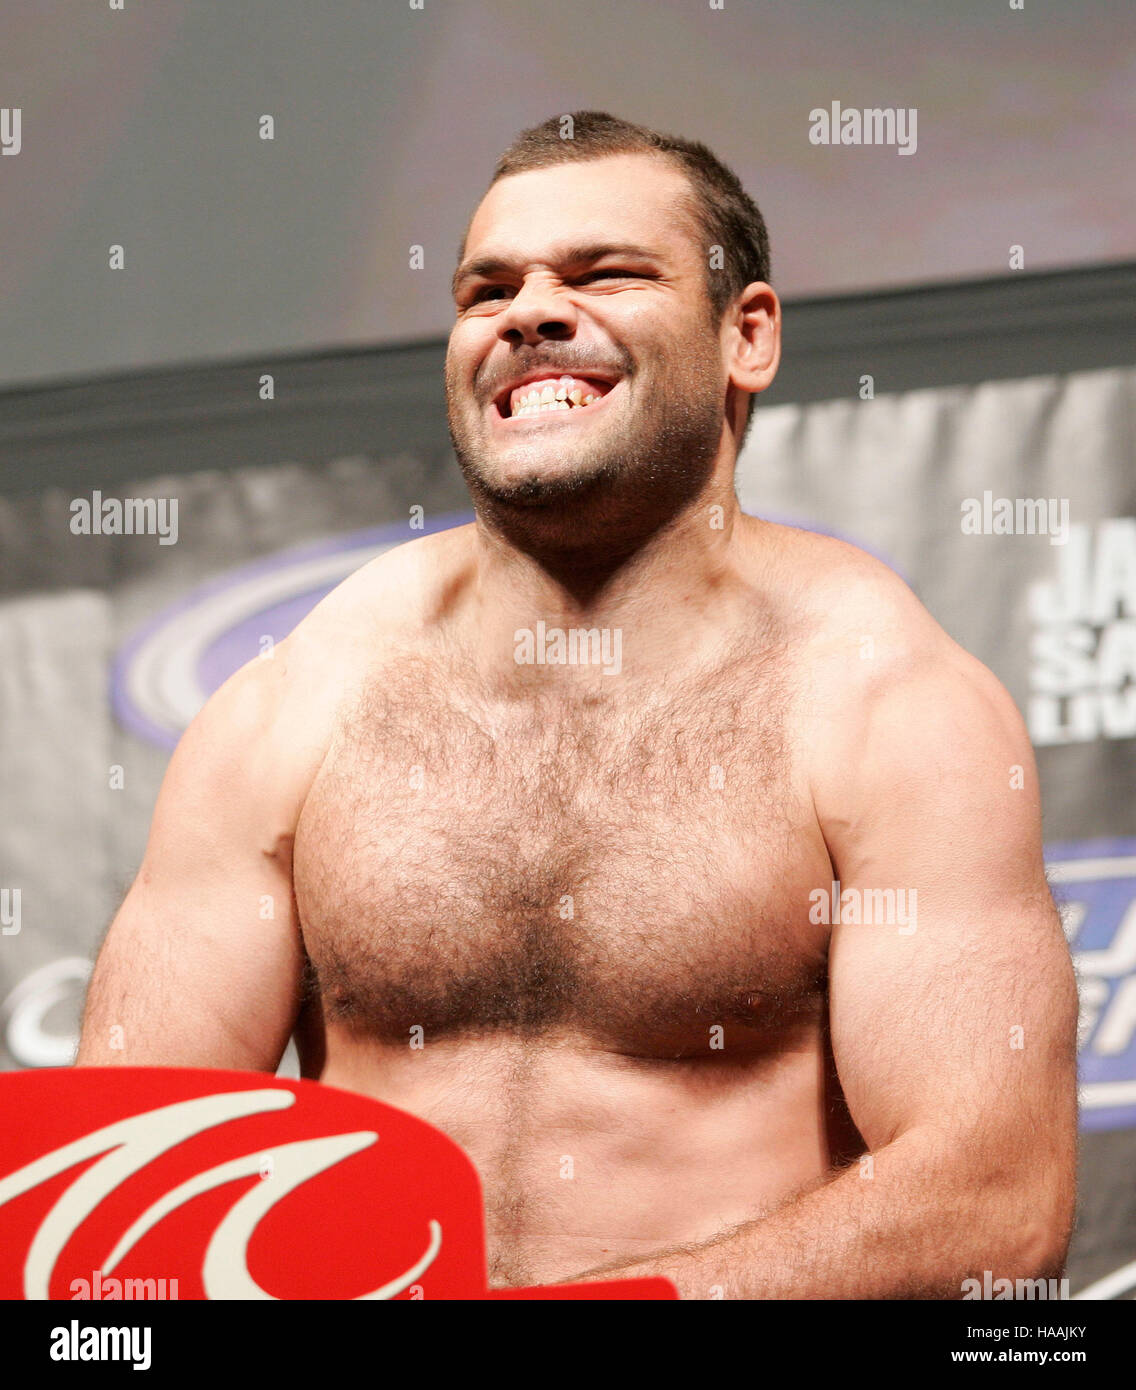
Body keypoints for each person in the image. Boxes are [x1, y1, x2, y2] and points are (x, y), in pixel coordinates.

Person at [77, 111, 1078, 1298]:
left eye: (603, 274)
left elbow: (994, 1197)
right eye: (485, 289)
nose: (528, 313)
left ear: (744, 335)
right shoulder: (298, 699)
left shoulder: (887, 704)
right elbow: (120, 1175)